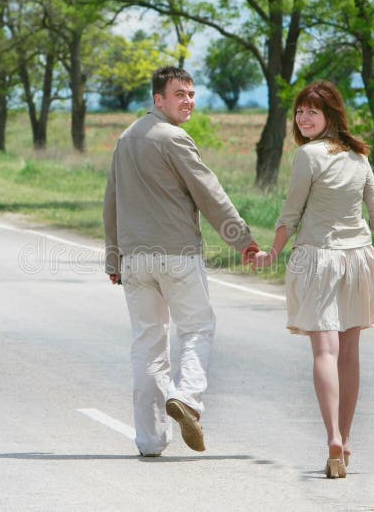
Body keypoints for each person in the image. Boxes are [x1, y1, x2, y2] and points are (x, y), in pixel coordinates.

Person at [103, 66, 259, 457]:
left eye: (191, 93)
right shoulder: (174, 139)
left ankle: (150, 440)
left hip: (136, 260)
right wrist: (242, 240)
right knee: (197, 329)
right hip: (177, 255)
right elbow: (210, 193)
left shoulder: (125, 139)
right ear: (159, 100)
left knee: (147, 346)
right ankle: (187, 397)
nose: (188, 100)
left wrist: (113, 257)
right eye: (179, 94)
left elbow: (112, 202)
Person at [252, 80, 374, 478]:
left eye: (311, 112)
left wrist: (272, 252)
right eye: (300, 112)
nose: (303, 118)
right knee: (350, 354)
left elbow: (291, 214)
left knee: (325, 353)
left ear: (330, 115)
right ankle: (347, 441)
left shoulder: (308, 157)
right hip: (358, 259)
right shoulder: (359, 156)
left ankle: (334, 436)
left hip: (319, 260)